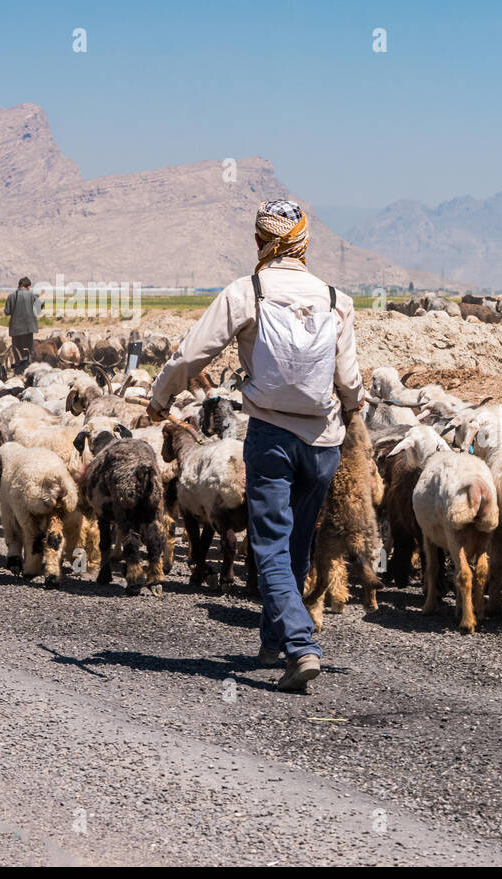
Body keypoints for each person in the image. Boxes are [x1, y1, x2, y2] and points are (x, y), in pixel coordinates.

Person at [147, 200, 365, 693]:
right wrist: (353, 412)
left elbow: (192, 353)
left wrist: (161, 396)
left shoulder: (248, 292)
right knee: (295, 544)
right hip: (323, 442)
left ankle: (301, 646)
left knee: (267, 545)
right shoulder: (337, 299)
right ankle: (273, 640)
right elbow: (349, 381)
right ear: (305, 243)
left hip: (270, 436)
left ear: (259, 242)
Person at [4, 277, 40, 371]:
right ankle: (27, 370)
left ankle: (18, 371)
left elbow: (7, 311)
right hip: (28, 328)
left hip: (15, 329)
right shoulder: (33, 295)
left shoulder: (11, 296)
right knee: (28, 351)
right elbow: (39, 307)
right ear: (28, 286)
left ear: (19, 285)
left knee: (17, 351)